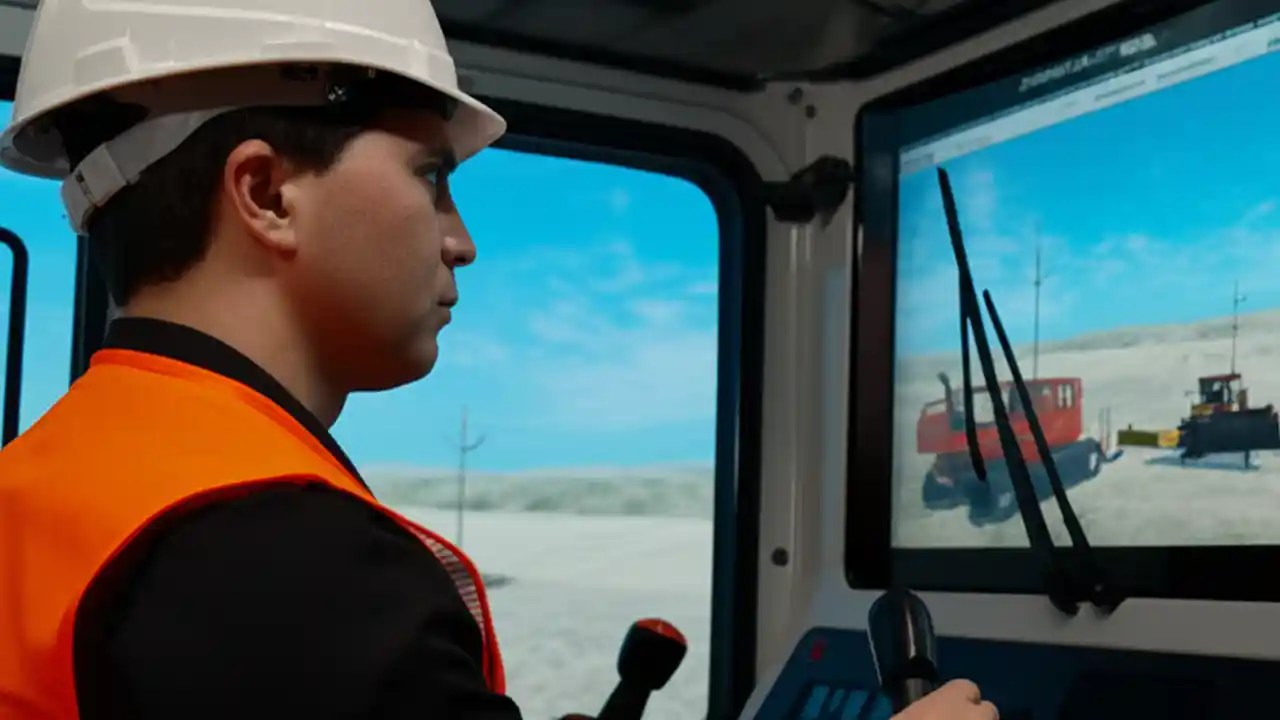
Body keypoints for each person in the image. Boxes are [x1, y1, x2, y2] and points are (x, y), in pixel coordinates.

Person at [0, 1, 997, 719]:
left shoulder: (63, 484)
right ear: (265, 194)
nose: (461, 240)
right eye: (431, 177)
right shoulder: (281, 560)